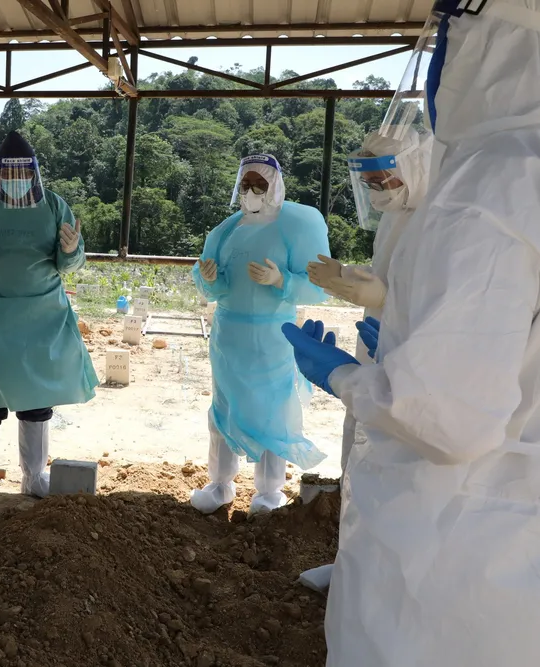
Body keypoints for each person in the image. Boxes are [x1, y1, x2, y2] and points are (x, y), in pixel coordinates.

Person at [282, 2, 540, 664]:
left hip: (459, 539)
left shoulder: (489, 179)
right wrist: (393, 312)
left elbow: (447, 419)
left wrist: (340, 372)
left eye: (450, 35)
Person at [0, 131, 98, 503]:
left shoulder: (54, 206)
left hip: (41, 319)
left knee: (36, 400)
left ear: (34, 173)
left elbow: (71, 264)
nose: (15, 182)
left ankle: (34, 475)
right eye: (8, 174)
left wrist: (72, 249)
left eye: (22, 173)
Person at [190, 154, 330, 516]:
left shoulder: (296, 225)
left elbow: (318, 287)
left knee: (273, 413)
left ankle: (269, 492)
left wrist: (282, 280)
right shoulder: (227, 229)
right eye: (245, 185)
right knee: (223, 411)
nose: (251, 192)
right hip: (229, 337)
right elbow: (217, 288)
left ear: (275, 187)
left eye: (259, 185)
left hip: (273, 337)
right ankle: (220, 484)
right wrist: (209, 277)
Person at [308, 127, 432, 470]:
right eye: (369, 183)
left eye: (382, 180)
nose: (376, 191)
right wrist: (345, 275)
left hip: (416, 353)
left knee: (399, 435)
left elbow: (445, 296)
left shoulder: (441, 218)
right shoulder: (397, 214)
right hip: (378, 338)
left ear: (414, 168)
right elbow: (387, 268)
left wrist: (388, 298)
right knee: (365, 417)